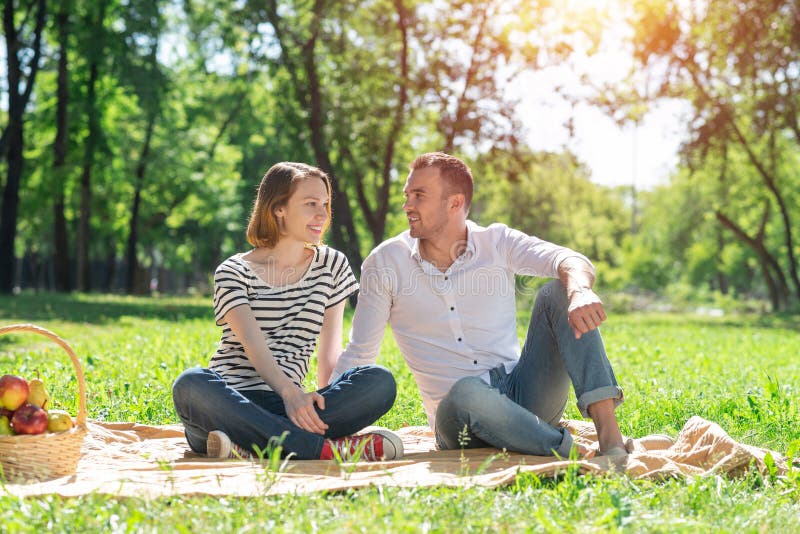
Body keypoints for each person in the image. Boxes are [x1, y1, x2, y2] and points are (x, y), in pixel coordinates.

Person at [332, 152, 627, 458]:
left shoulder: (497, 242)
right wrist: (326, 414)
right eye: (408, 195)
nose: (408, 205)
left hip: (524, 396)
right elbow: (360, 352)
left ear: (455, 203)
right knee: (467, 390)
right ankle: (568, 451)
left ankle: (610, 440)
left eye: (419, 196)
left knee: (557, 291)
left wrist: (579, 290)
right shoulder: (385, 263)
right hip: (459, 420)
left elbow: (568, 259)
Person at [172, 162, 403, 461]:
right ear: (278, 208)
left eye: (325, 204)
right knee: (190, 385)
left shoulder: (332, 265)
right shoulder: (233, 271)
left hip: (290, 409)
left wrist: (322, 404)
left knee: (379, 381)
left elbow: (328, 353)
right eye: (310, 204)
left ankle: (250, 446)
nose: (322, 214)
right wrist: (290, 393)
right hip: (229, 404)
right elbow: (254, 347)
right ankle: (323, 449)